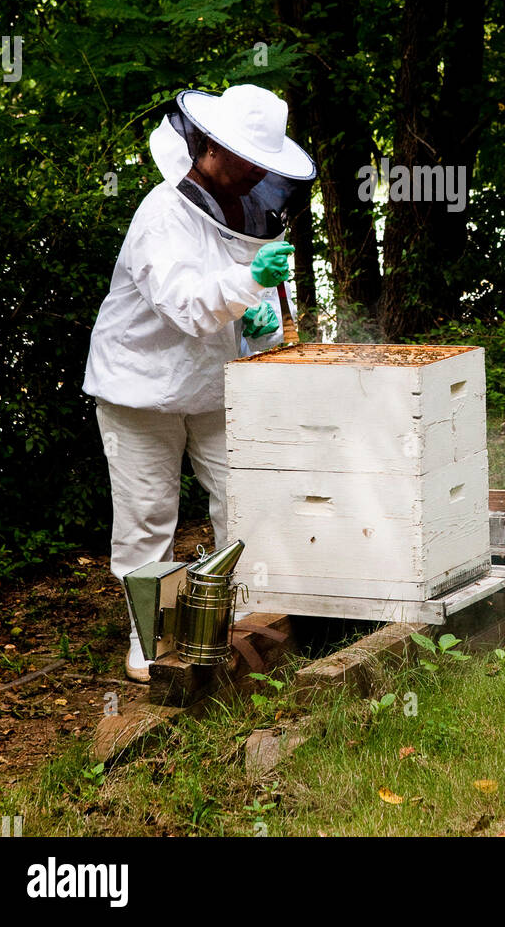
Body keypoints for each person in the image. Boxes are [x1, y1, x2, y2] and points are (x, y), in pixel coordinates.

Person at [82, 84, 316, 680]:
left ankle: (235, 625)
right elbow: (187, 306)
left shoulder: (242, 209)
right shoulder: (162, 215)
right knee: (148, 519)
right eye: (245, 161)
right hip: (141, 391)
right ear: (208, 147)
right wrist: (246, 287)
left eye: (262, 165)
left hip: (213, 386)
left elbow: (240, 306)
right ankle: (149, 643)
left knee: (245, 503)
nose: (254, 175)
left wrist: (258, 327)